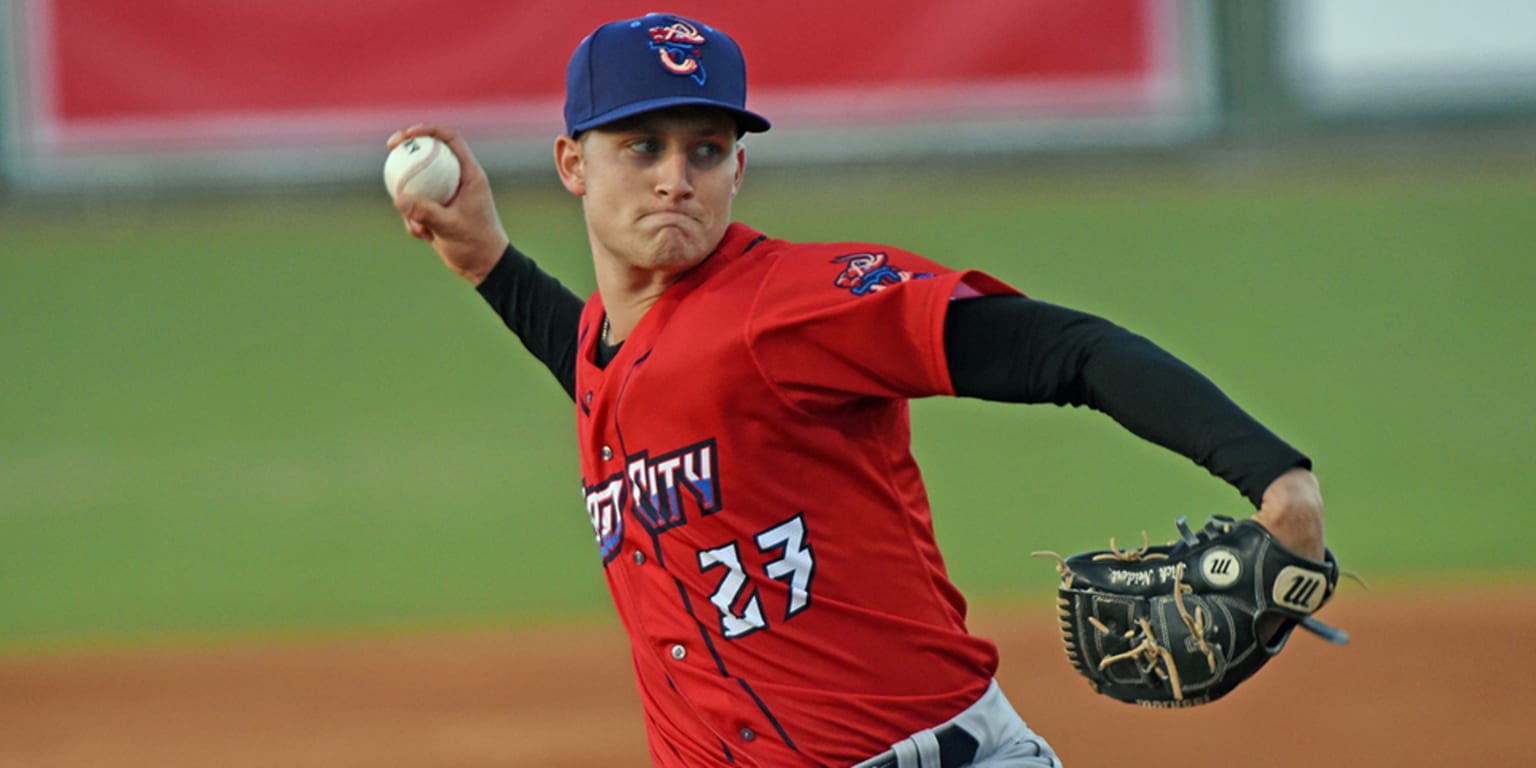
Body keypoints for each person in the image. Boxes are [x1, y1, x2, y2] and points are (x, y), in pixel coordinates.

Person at [388, 12, 1327, 767]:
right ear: (573, 165)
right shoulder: (613, 341)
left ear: (737, 167)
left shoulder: (793, 307)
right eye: (642, 146)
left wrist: (1278, 481)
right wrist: (489, 262)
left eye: (705, 150)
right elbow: (619, 367)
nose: (676, 179)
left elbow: (1065, 349)